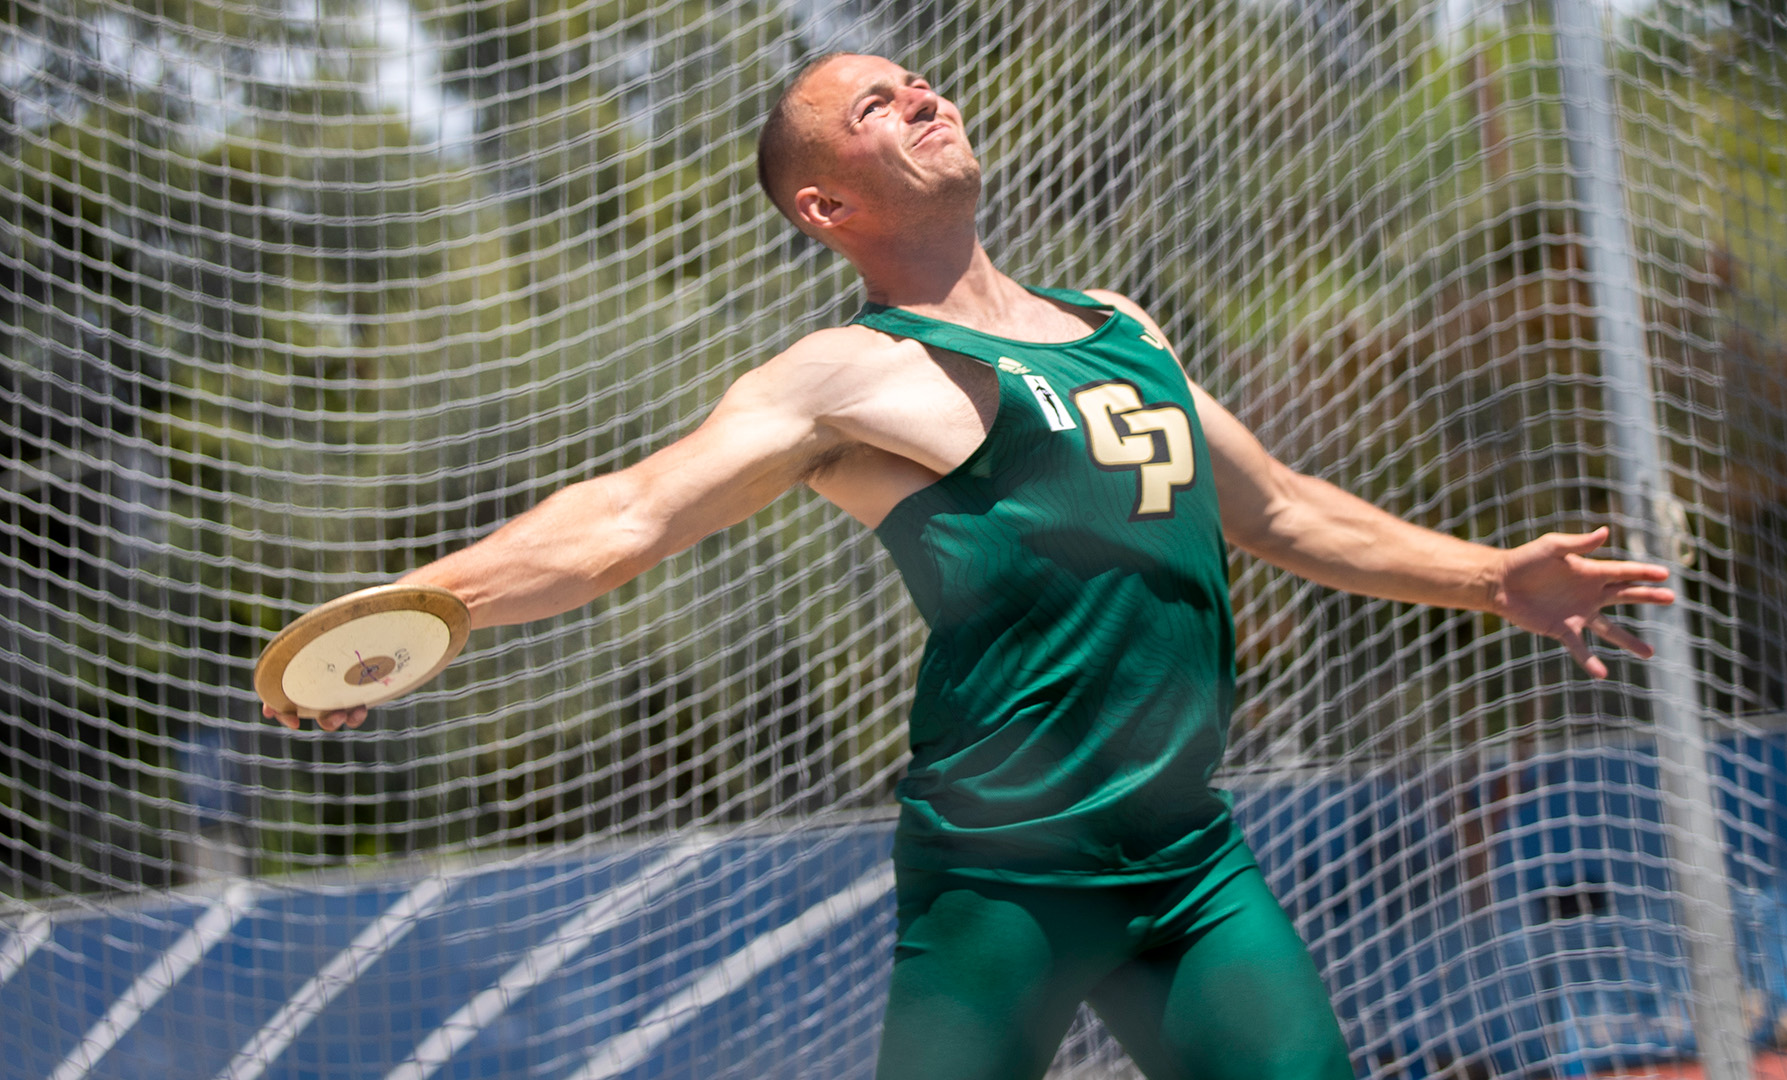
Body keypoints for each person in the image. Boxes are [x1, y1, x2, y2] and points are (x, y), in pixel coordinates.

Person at [261, 53, 1676, 1080]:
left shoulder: (1119, 327)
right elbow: (627, 513)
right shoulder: (847, 375)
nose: (922, 97)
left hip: (1188, 862)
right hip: (1004, 879)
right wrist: (426, 603)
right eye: (874, 106)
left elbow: (1286, 512)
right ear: (826, 206)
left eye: (917, 83)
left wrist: (1492, 577)